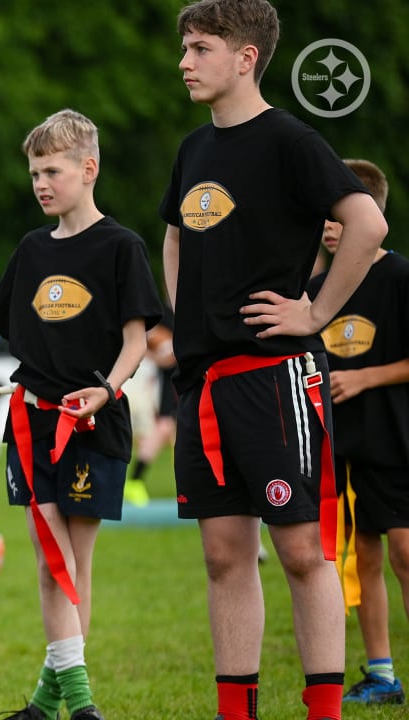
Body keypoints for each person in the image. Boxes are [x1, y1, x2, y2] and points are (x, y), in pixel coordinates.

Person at [159, 1, 388, 718]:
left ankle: (322, 712)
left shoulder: (289, 141)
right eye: (185, 49)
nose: (184, 62)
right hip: (203, 384)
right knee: (225, 557)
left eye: (199, 48)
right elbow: (171, 237)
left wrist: (316, 313)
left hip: (274, 377)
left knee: (300, 554)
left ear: (245, 57)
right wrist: (184, 316)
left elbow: (366, 221)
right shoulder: (194, 150)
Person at [0, 109, 161, 720]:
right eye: (34, 173)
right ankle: (81, 704)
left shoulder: (122, 247)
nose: (40, 183)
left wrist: (108, 390)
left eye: (52, 171)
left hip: (94, 422)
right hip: (31, 424)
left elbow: (135, 340)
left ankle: (53, 701)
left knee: (74, 563)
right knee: (51, 559)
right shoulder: (32, 249)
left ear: (88, 169)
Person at [307, 159, 408, 706]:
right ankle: (382, 675)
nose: (326, 224)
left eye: (336, 214)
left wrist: (365, 377)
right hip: (342, 445)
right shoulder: (319, 290)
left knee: (406, 555)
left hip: (396, 440)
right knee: (360, 557)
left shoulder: (400, 278)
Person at [124, 305, 177, 507]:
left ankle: (136, 481)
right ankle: (135, 481)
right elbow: (142, 342)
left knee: (167, 429)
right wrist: (161, 358)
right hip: (173, 382)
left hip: (179, 380)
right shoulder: (162, 313)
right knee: (165, 428)